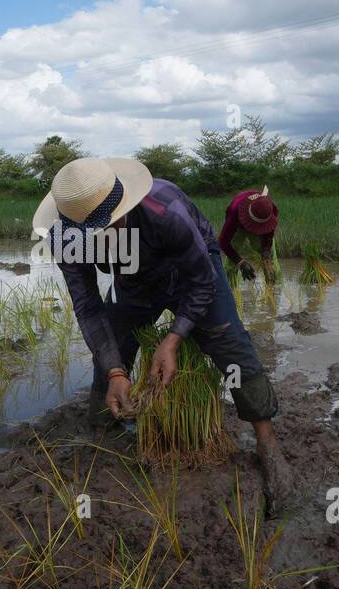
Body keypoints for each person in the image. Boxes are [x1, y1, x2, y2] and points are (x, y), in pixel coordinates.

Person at [32, 158, 292, 514]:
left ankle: (266, 440)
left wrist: (173, 339)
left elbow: (201, 282)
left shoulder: (165, 210)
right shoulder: (68, 238)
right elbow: (89, 307)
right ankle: (106, 426)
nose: (102, 237)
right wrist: (115, 371)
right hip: (133, 280)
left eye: (109, 226)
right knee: (114, 347)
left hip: (192, 268)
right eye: (93, 233)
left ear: (124, 208)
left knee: (228, 341)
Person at [218, 187, 279, 283]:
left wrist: (266, 252)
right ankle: (229, 291)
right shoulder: (234, 212)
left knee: (271, 264)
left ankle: (273, 291)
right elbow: (223, 242)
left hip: (261, 224)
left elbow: (269, 233)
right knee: (231, 265)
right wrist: (240, 262)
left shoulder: (270, 209)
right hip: (238, 227)